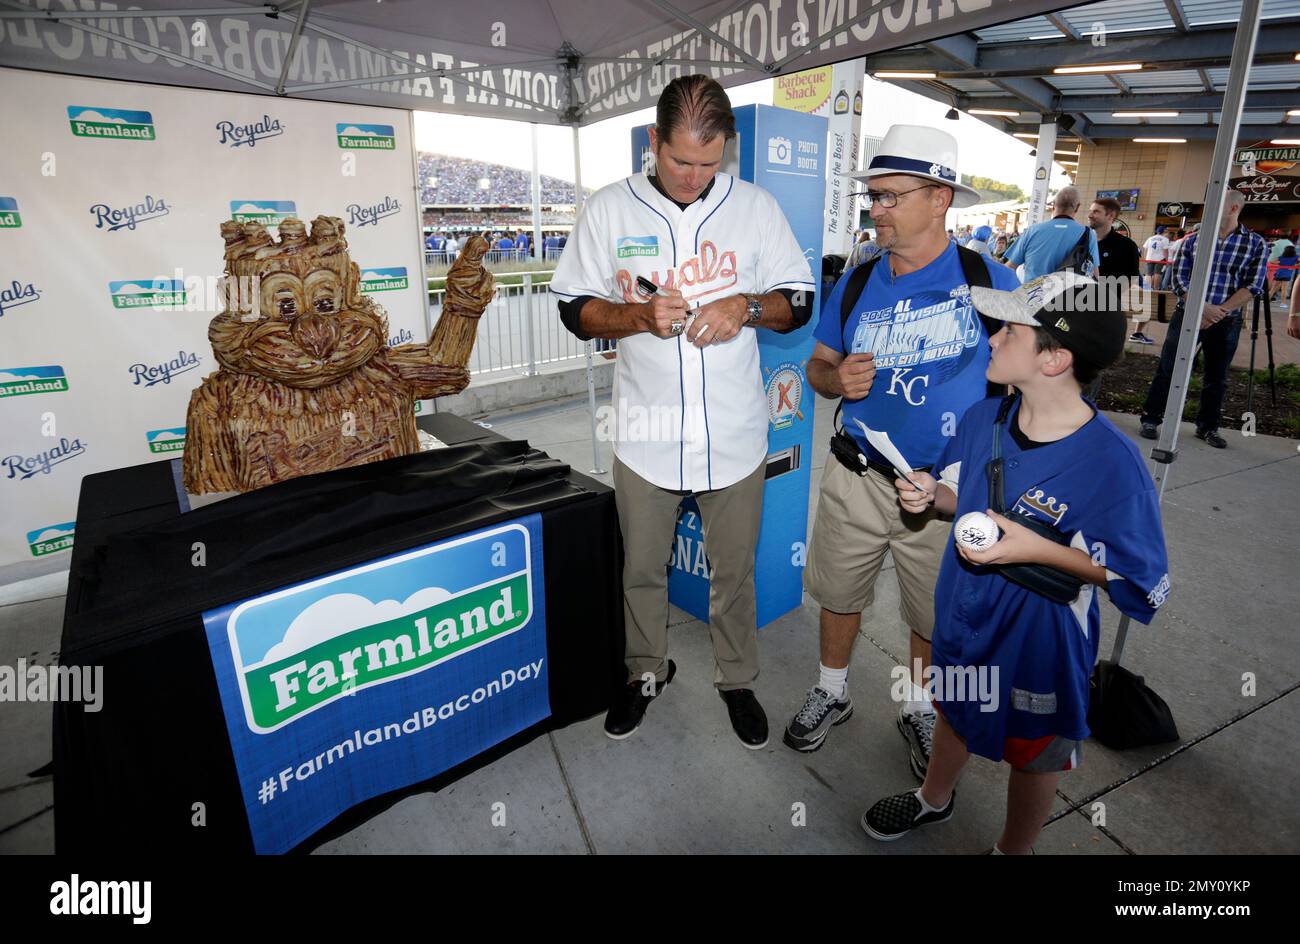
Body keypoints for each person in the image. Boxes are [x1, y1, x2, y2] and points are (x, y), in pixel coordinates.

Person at [860, 271, 1170, 853]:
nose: (992, 338)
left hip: (1041, 641)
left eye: (1009, 330)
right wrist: (932, 496)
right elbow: (962, 496)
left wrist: (1034, 548)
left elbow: (1139, 580)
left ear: (1054, 360)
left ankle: (1012, 849)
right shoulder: (985, 419)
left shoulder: (1113, 463)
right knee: (953, 706)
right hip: (962, 613)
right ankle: (934, 798)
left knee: (1036, 750)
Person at [549, 74, 816, 747]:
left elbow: (801, 300)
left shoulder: (754, 206)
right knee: (641, 568)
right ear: (653, 142)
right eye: (680, 161)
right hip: (644, 434)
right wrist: (638, 315)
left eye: (709, 161)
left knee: (734, 571)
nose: (695, 176)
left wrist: (746, 306)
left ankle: (737, 678)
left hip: (735, 433)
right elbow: (573, 310)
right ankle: (645, 671)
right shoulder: (610, 208)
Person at [785, 124, 1020, 767]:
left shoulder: (991, 278)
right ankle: (832, 691)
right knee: (839, 589)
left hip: (947, 489)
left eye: (890, 197)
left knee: (931, 608)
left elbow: (1025, 378)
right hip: (858, 473)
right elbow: (817, 366)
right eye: (874, 198)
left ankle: (918, 707)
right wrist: (838, 378)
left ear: (939, 198)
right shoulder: (858, 282)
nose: (877, 210)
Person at [1140, 190, 1267, 449]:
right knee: (1168, 367)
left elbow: (1253, 285)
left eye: (1215, 206)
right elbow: (1178, 279)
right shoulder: (1193, 241)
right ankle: (1151, 418)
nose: (1209, 211)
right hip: (1187, 315)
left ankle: (1207, 426)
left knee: (1216, 376)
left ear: (1233, 209)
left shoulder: (1255, 244)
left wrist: (1218, 311)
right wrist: (1201, 308)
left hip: (1225, 320)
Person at [1002, 186, 1099, 281]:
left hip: (1032, 295)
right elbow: (1094, 274)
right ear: (1077, 207)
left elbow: (1009, 268)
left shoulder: (1032, 231)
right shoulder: (1088, 234)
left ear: (1053, 205)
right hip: (1068, 295)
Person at [1087, 196, 1145, 343]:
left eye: (1096, 212)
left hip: (1108, 309)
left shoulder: (1126, 246)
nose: (1090, 215)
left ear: (1110, 216)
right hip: (1078, 306)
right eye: (1090, 211)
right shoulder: (1081, 242)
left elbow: (1132, 278)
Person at [1141, 226, 1171, 292]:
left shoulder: (1150, 238)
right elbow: (1165, 251)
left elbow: (1145, 248)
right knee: (1157, 273)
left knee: (1148, 273)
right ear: (1164, 231)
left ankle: (1147, 288)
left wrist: (1146, 258)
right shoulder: (1165, 239)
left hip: (1149, 257)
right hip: (1160, 258)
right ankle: (1155, 288)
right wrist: (1166, 260)